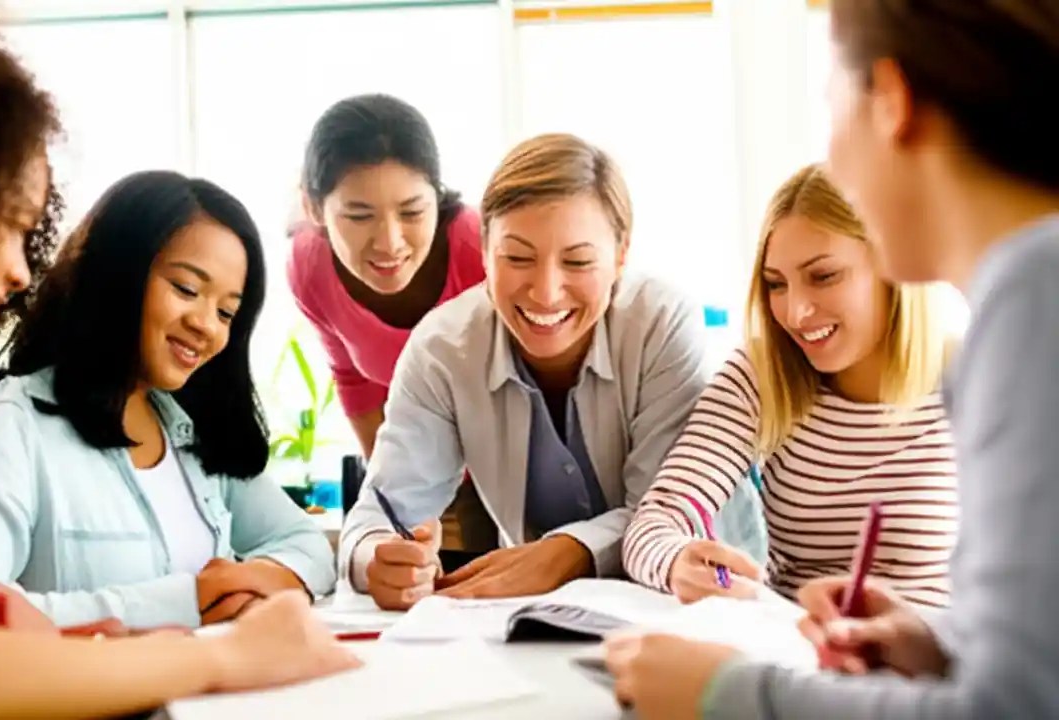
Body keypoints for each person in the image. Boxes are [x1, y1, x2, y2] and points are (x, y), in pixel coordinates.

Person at [0, 2, 356, 717]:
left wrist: (1, 615)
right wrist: (216, 654)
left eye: (228, 311)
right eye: (14, 224)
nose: (23, 271)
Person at [605, 1, 1059, 717]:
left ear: (891, 102)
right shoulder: (1029, 292)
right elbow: (1034, 667)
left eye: (829, 106)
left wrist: (728, 693)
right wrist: (934, 649)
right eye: (779, 285)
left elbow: (1011, 709)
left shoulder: (1032, 302)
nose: (796, 311)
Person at [0, 170, 337, 630]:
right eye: (186, 289)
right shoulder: (2, 430)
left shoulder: (191, 434)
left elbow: (307, 544)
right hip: (87, 702)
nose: (207, 325)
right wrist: (185, 602)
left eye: (226, 312)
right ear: (116, 273)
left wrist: (259, 580)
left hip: (215, 697)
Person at [338, 133, 709, 610]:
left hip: (692, 601)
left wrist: (569, 553)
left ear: (620, 255)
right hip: (537, 621)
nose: (546, 292)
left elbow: (666, 513)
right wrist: (378, 559)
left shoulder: (661, 323)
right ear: (484, 251)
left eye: (577, 261)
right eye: (517, 258)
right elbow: (382, 512)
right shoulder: (442, 350)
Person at [622, 164, 957, 609]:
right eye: (776, 284)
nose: (796, 312)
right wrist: (678, 560)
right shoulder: (760, 374)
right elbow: (654, 523)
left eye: (823, 276)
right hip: (797, 649)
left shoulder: (980, 378)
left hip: (932, 661)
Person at [289, 94, 496, 555]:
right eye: (359, 216)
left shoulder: (477, 248)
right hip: (425, 468)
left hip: (507, 469)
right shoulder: (309, 267)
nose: (390, 242)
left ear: (437, 197)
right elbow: (354, 380)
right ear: (312, 205)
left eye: (412, 212)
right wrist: (389, 504)